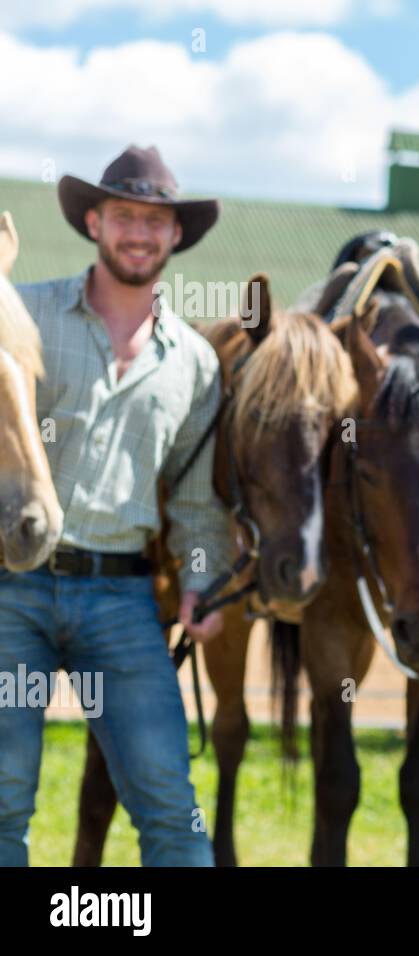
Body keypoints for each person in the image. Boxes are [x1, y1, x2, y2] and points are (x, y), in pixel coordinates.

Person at [1, 145, 232, 866]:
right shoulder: (23, 314)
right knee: (2, 797)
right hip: (13, 591)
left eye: (155, 221)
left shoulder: (196, 362)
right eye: (125, 215)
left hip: (122, 599)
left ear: (175, 237)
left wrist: (202, 580)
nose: (139, 232)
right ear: (94, 222)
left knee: (169, 805)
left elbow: (196, 505)